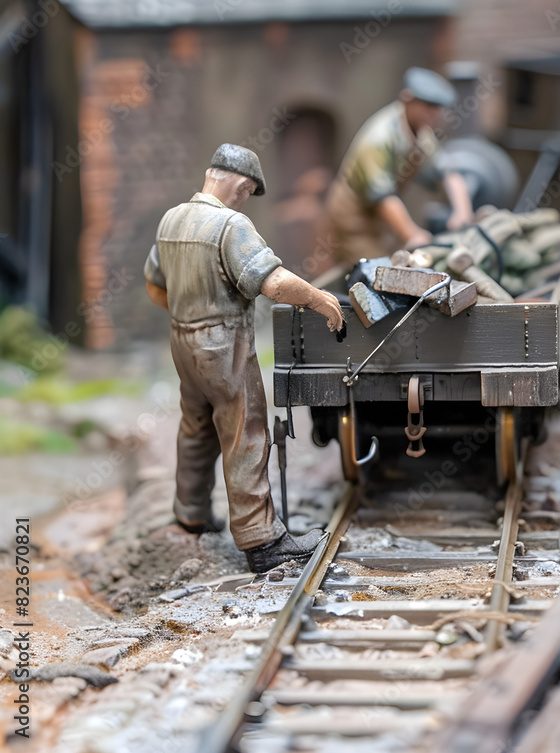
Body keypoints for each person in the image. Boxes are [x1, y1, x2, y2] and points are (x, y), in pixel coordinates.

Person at [144, 143, 344, 573]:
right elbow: (271, 281)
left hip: (182, 342)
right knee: (245, 430)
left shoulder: (171, 218)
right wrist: (318, 299)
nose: (246, 198)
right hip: (223, 344)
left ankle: (191, 512)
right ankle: (261, 539)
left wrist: (188, 317)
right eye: (249, 191)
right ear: (240, 183)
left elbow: (154, 286)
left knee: (195, 427)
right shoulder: (231, 225)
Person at [324, 67, 474, 264]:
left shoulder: (421, 133)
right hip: (355, 219)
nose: (433, 115)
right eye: (427, 106)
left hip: (382, 221)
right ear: (407, 99)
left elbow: (447, 172)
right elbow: (382, 197)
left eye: (436, 109)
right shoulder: (379, 139)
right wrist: (412, 233)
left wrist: (462, 213)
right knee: (377, 271)